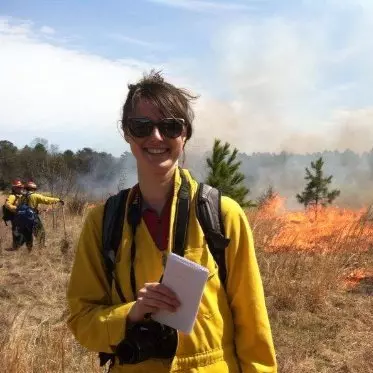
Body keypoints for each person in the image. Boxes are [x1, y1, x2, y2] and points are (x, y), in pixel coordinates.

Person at [67, 71, 277, 372]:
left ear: (185, 134)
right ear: (127, 134)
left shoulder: (223, 215)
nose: (155, 137)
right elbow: (82, 319)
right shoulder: (103, 222)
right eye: (141, 126)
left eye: (170, 126)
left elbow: (253, 321)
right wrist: (132, 314)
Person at [16, 180, 64, 251]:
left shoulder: (21, 197)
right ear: (33, 189)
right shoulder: (34, 196)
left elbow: (18, 207)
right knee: (41, 232)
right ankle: (41, 249)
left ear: (26, 188)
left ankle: (29, 250)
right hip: (32, 218)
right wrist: (58, 200)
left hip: (22, 219)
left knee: (28, 234)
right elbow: (46, 200)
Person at [3, 179, 24, 250]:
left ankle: (18, 246)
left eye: (21, 187)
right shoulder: (12, 196)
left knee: (22, 231)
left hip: (22, 216)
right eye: (18, 187)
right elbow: (7, 204)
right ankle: (15, 247)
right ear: (14, 188)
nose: (20, 188)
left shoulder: (22, 195)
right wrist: (16, 209)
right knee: (16, 232)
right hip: (15, 217)